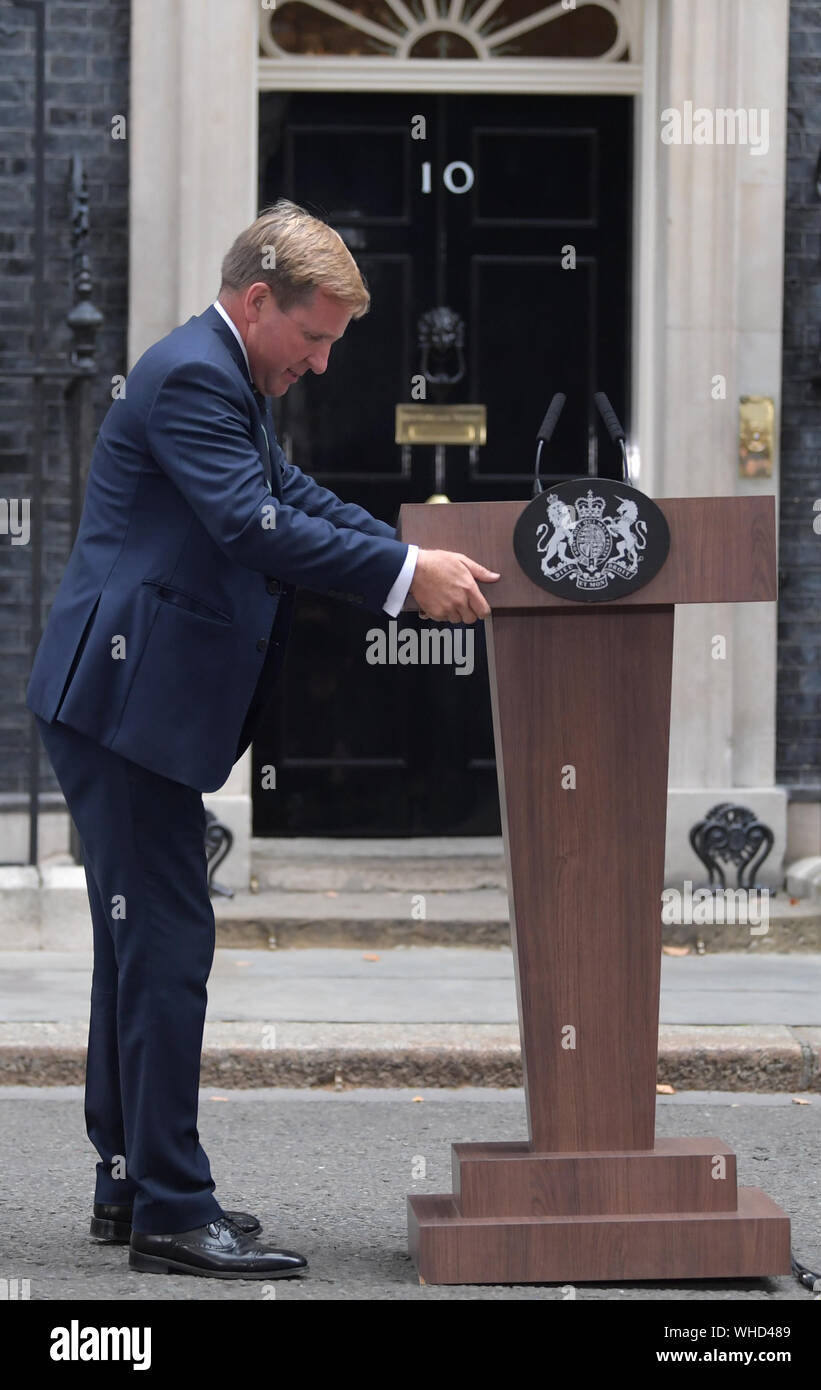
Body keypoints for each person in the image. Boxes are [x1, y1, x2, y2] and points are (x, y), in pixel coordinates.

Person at [25, 198, 499, 1280]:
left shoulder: (226, 372)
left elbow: (284, 490)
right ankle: (172, 1212)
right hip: (122, 703)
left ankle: (130, 1183)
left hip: (122, 700)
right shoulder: (196, 373)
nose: (324, 363)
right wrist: (399, 578)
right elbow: (252, 525)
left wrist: (408, 549)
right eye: (317, 336)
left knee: (135, 943)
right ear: (256, 302)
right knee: (168, 949)